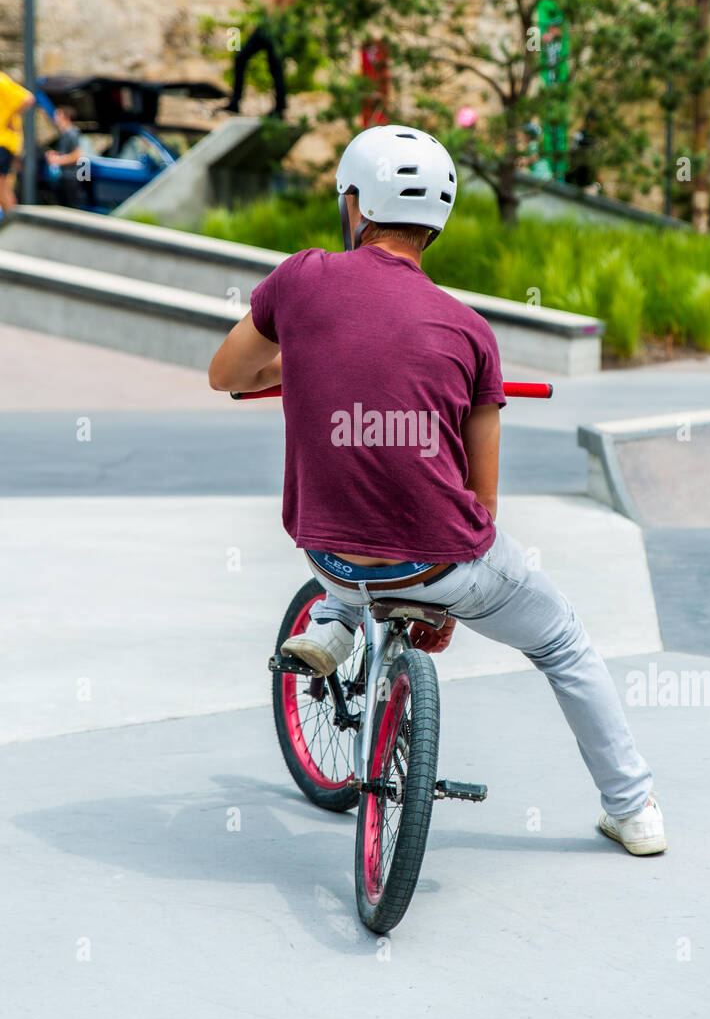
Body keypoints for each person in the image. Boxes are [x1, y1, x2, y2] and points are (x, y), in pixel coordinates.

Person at [208, 124, 666, 857]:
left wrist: (305, 367)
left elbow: (227, 374)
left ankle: (337, 620)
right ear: (436, 223)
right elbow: (480, 505)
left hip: (325, 552)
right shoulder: (470, 333)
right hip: (440, 563)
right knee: (561, 645)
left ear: (352, 204)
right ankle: (632, 810)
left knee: (349, 546)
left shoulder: (298, 280)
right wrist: (449, 601)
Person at [224, 0, 294, 119]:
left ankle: (236, 101)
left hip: (270, 27)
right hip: (269, 26)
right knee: (274, 66)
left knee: (242, 58)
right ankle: (279, 107)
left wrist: (280, 14)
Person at [0, 69, 35, 214]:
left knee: (1, 186)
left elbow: (28, 98)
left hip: (4, 143)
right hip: (5, 144)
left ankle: (12, 220)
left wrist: (9, 117)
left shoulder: (1, 81)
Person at [45, 105, 86, 208]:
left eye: (58, 115)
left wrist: (58, 160)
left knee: (71, 207)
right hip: (64, 176)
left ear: (66, 117)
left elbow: (78, 155)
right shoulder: (64, 134)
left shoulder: (72, 133)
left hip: (71, 177)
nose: (55, 118)